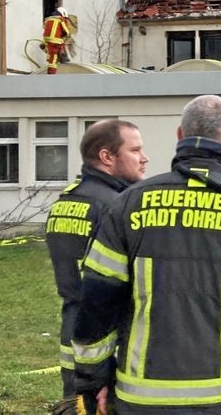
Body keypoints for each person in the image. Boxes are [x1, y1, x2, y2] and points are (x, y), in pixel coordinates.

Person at [71, 95, 221, 415]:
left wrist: (94, 380)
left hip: (142, 399)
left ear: (180, 135)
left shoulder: (127, 205)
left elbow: (96, 302)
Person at [46, 120, 148, 401]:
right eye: (135, 150)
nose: (144, 158)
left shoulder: (66, 201)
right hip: (108, 345)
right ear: (106, 157)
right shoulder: (116, 207)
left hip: (73, 337)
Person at [42, 7, 76, 74]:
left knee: (51, 56)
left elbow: (46, 29)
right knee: (54, 58)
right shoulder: (61, 19)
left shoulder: (48, 20)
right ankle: (63, 57)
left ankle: (59, 56)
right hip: (56, 41)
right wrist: (67, 35)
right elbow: (66, 31)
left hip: (47, 41)